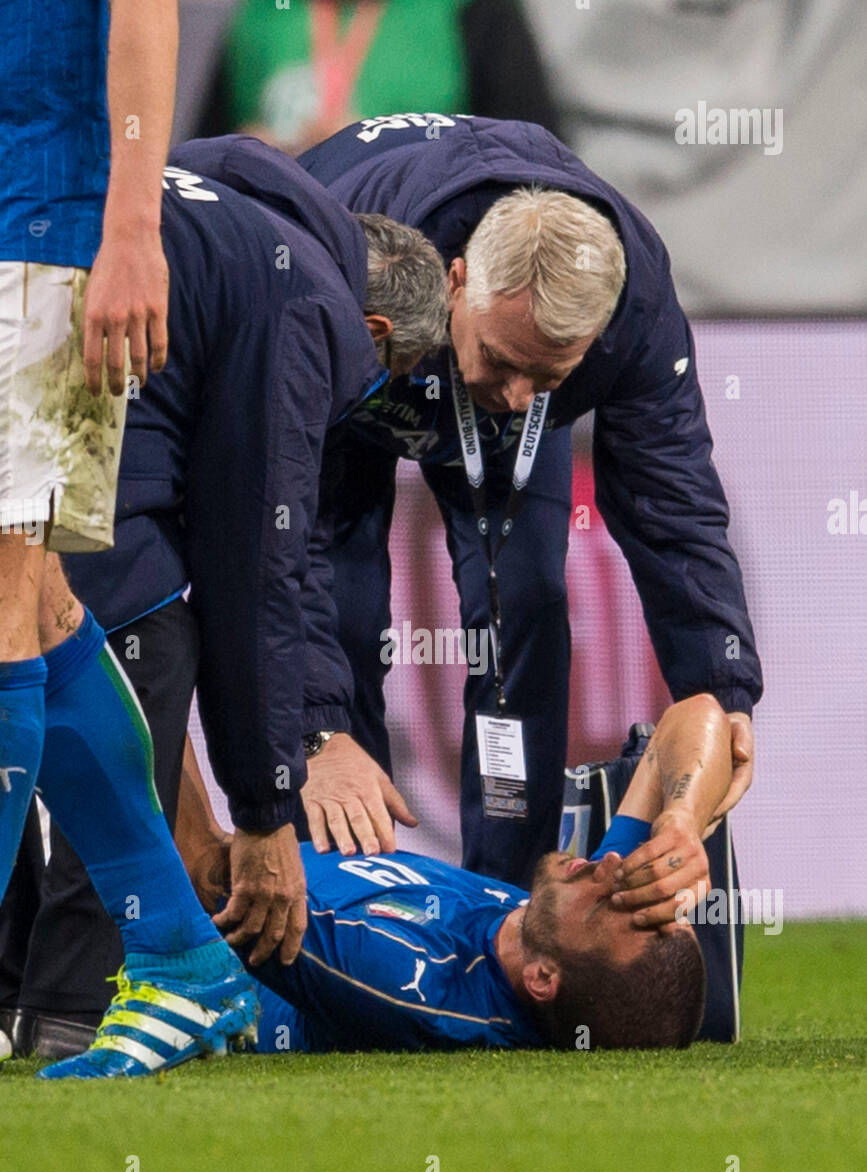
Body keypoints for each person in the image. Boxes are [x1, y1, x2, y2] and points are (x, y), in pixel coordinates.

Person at [7, 137, 448, 1073]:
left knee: (67, 620)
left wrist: (252, 803)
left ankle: (69, 998)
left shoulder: (230, 201)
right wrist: (264, 815)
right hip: (48, 315)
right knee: (104, 630)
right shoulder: (306, 313)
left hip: (41, 286)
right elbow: (256, 571)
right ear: (374, 338)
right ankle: (94, 988)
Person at [279, 114, 764, 890]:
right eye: (503, 360)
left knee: (525, 605)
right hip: (348, 394)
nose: (510, 398)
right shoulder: (343, 267)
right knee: (338, 610)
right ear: (457, 277)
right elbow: (281, 521)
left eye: (546, 376)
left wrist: (721, 687)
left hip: (466, 382)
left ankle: (509, 906)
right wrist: (314, 730)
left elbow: (672, 497)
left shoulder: (633, 311)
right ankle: (342, 901)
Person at [0, 1, 265, 1079]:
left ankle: (175, 951)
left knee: (7, 610)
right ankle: (180, 954)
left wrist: (130, 228)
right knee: (49, 611)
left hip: (43, 244)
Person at [207, 692, 733, 1057]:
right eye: (641, 888)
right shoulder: (558, 922)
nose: (612, 866)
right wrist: (683, 820)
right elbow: (693, 715)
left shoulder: (411, 982)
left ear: (543, 979)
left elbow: (206, 876)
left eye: (607, 900)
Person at [196, 0, 562, 155]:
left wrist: (380, 151)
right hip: (280, 245)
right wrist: (244, 153)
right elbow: (199, 154)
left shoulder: (475, 11)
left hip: (418, 262)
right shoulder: (262, 14)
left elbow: (533, 158)